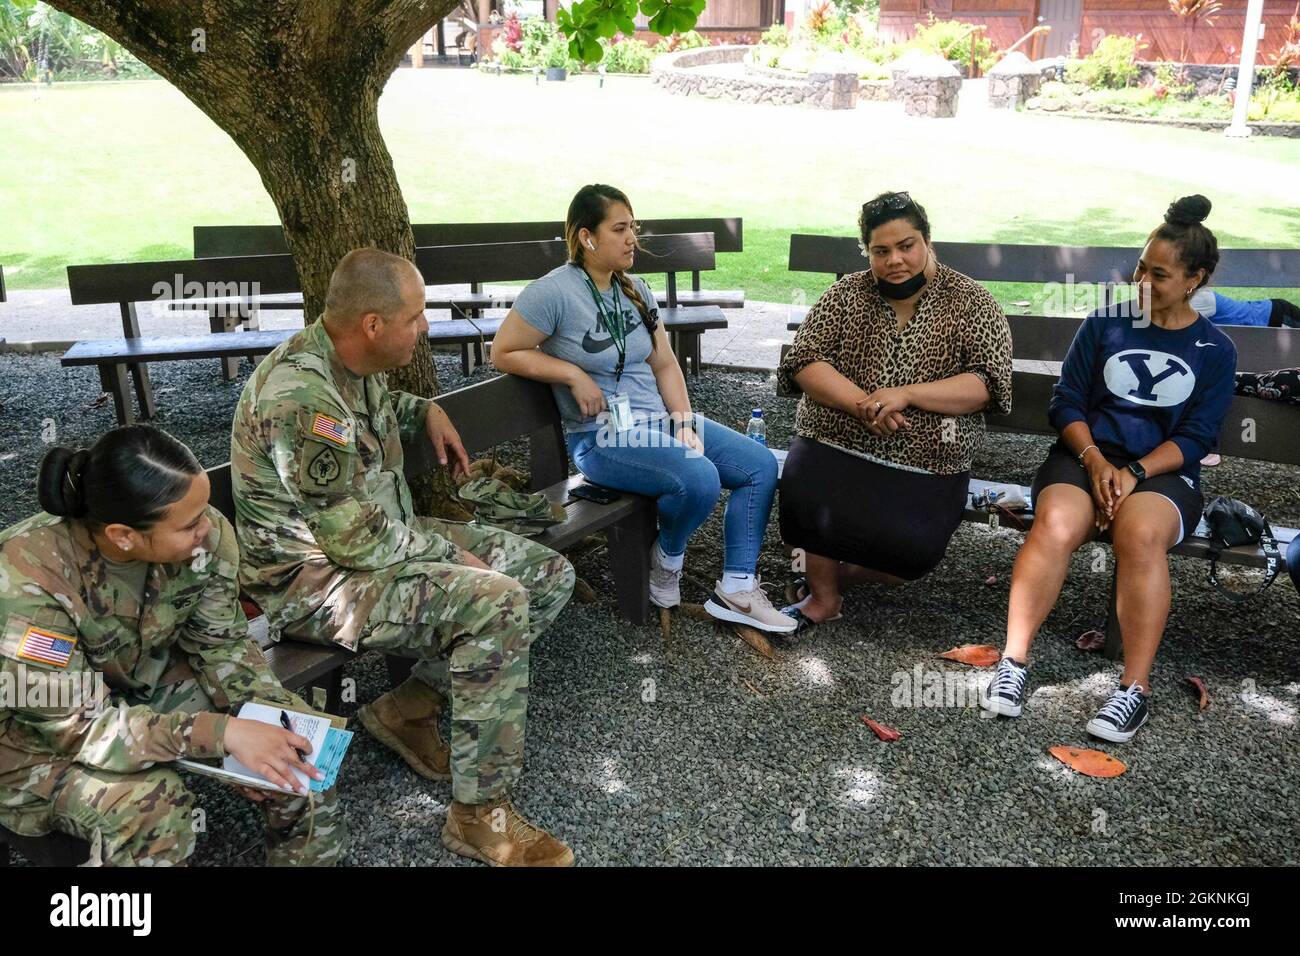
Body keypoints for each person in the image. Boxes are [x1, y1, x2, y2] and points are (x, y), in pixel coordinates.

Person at [231, 248, 576, 867]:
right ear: (372, 324)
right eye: (416, 318)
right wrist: (451, 555)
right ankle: (479, 818)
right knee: (496, 604)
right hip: (316, 582)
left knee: (548, 575)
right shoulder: (301, 399)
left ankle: (405, 709)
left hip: (383, 544)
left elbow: (377, 418)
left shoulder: (348, 362)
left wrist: (426, 411)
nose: (424, 329)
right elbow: (352, 541)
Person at [0, 427, 345, 866]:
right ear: (123, 535)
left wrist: (257, 718)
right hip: (32, 735)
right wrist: (222, 736)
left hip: (137, 683)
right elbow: (80, 728)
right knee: (155, 809)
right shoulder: (25, 583)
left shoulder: (204, 538)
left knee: (300, 744)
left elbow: (221, 644)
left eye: (203, 510)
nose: (208, 528)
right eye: (189, 524)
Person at [981, 195, 1237, 742]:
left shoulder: (1214, 349)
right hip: (1083, 457)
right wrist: (1095, 461)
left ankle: (1133, 690)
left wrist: (1135, 474)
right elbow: (1066, 403)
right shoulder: (1105, 324)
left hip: (1162, 473)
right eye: (1141, 266)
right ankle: (1013, 663)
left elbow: (1196, 438)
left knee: (1141, 535)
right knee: (1054, 524)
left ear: (1197, 279)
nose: (1141, 281)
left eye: (1159, 274)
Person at [491, 183, 794, 633]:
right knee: (699, 475)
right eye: (620, 229)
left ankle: (737, 587)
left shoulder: (635, 290)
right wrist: (573, 375)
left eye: (634, 227)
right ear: (586, 237)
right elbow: (504, 351)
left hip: (659, 423)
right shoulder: (553, 292)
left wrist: (686, 422)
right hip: (602, 438)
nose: (633, 238)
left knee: (758, 465)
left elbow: (666, 364)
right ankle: (667, 562)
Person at [775, 191, 1013, 627]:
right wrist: (865, 405)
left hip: (929, 458)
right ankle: (823, 599)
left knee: (913, 552)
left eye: (906, 246)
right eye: (880, 251)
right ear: (867, 251)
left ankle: (839, 577)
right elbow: (804, 360)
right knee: (807, 498)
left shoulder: (972, 301)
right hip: (837, 437)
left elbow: (986, 384)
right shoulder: (846, 294)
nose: (894, 260)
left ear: (927, 241)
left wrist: (906, 393)